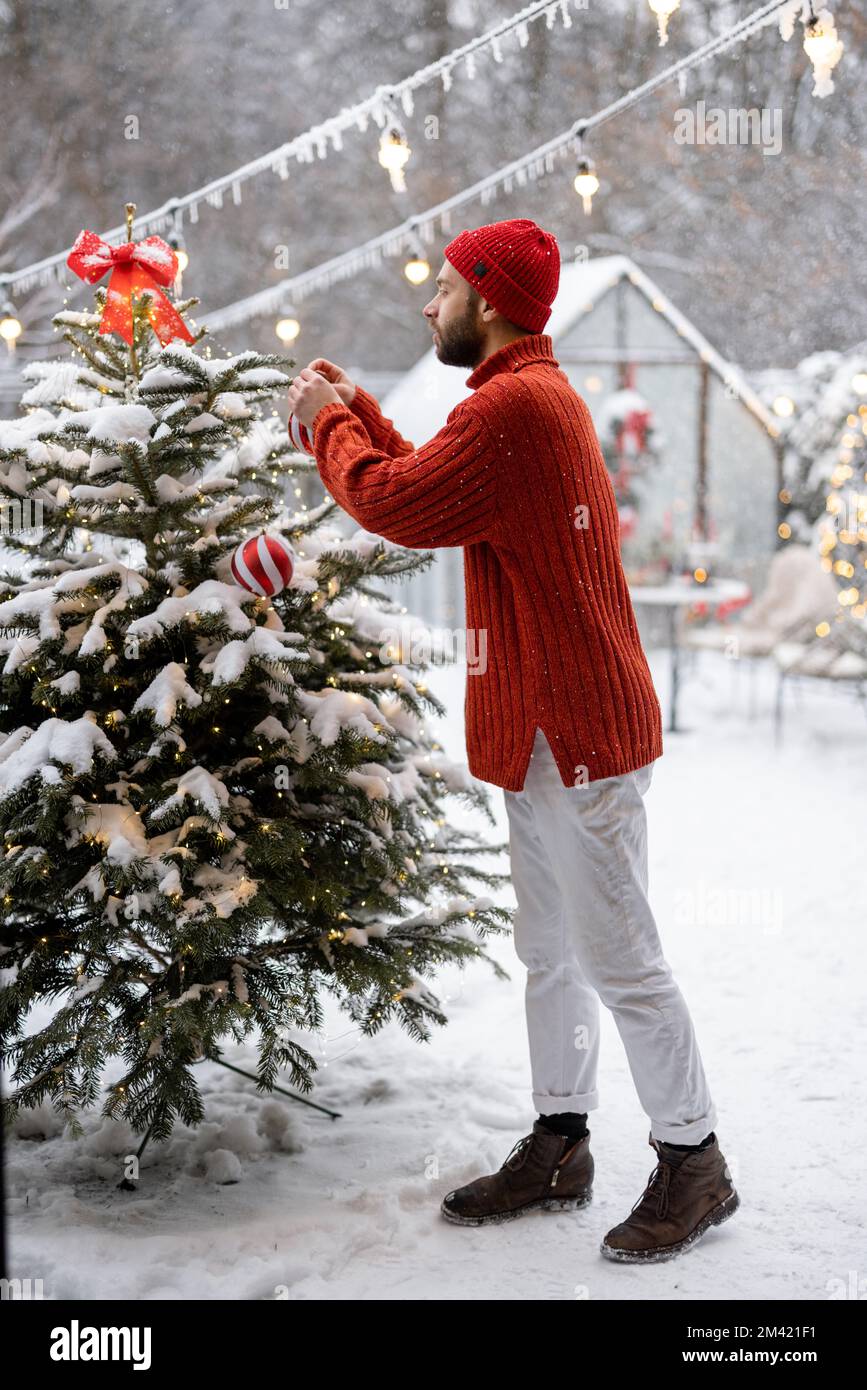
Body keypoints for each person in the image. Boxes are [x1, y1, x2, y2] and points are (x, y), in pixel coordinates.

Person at [285, 217, 738, 1263]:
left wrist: (324, 428)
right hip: (543, 731)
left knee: (621, 960)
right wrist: (354, 411)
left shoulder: (519, 408)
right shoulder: (511, 405)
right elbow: (440, 491)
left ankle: (696, 1161)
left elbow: (391, 502)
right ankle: (564, 1140)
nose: (426, 304)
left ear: (487, 300)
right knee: (551, 956)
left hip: (580, 730)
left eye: (440, 288)